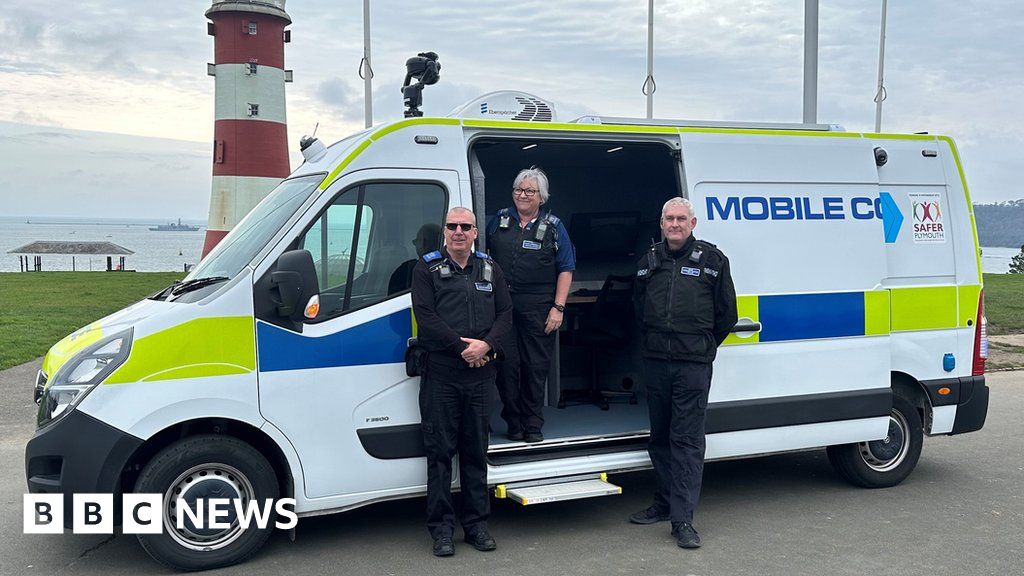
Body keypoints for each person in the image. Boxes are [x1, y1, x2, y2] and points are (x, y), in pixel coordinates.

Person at [630, 197, 737, 549]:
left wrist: (703, 346)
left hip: (692, 365)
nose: (674, 225)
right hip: (657, 362)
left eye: (681, 219)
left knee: (687, 442)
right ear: (661, 224)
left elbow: (726, 315)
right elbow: (637, 305)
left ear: (692, 224)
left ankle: (683, 520)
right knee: (659, 437)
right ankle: (663, 503)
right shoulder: (649, 261)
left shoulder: (712, 261)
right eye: (669, 219)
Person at [411, 207, 512, 557]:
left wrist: (487, 345)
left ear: (474, 233)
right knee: (439, 454)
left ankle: (476, 526)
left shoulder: (489, 268)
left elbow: (505, 314)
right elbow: (425, 316)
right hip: (442, 375)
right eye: (452, 226)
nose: (458, 232)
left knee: (474, 453)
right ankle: (441, 530)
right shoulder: (426, 269)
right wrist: (462, 348)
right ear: (444, 232)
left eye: (465, 227)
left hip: (481, 375)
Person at [486, 166, 576, 443]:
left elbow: (566, 268)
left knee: (535, 367)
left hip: (539, 307)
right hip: (503, 307)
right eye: (518, 190)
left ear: (541, 196)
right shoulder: (498, 221)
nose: (522, 195)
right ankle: (513, 421)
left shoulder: (554, 227)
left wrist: (558, 308)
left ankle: (532, 424)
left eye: (529, 191)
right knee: (506, 366)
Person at [389, 223, 442, 294]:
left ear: (424, 244)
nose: (415, 245)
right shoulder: (451, 268)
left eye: (416, 241)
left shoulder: (405, 271)